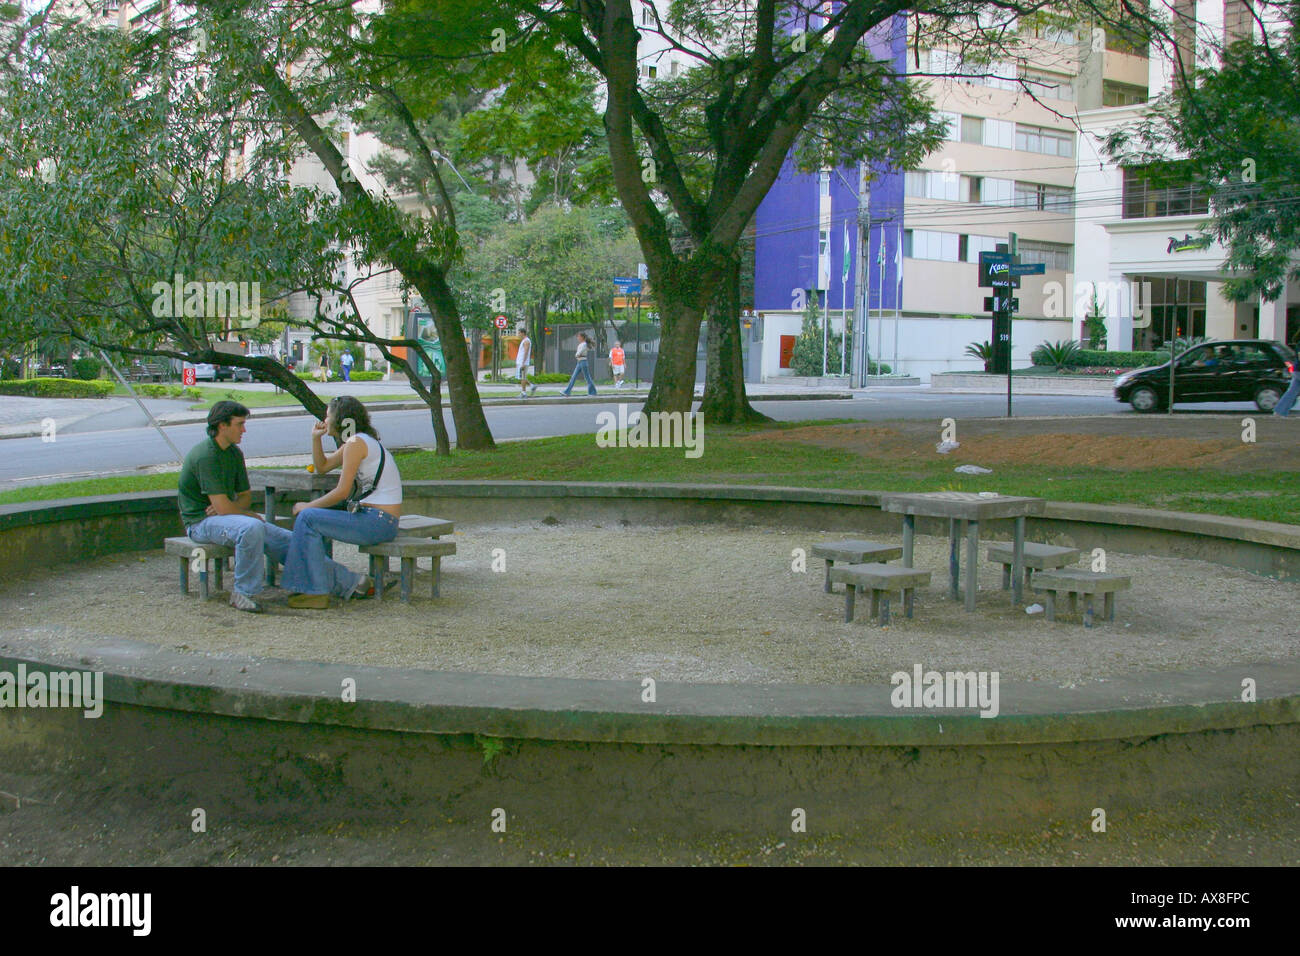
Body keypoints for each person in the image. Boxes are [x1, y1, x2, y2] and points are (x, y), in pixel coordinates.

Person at [280, 396, 403, 608]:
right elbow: (323, 466)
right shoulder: (357, 442)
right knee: (310, 521)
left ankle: (314, 591)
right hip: (379, 520)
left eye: (328, 415)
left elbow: (342, 491)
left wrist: (306, 506)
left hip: (377, 521)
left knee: (308, 518)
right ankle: (313, 587)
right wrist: (316, 439)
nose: (325, 420)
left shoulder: (356, 443)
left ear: (342, 420)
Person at [178, 401, 294, 613]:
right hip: (200, 523)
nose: (244, 430)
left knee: (288, 539)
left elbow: (243, 498)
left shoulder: (234, 454)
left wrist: (229, 507)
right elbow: (225, 508)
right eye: (239, 424)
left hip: (227, 518)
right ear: (222, 426)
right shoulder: (206, 455)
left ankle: (345, 583)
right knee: (252, 527)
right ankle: (243, 593)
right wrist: (234, 510)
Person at [561, 331, 597, 397]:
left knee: (587, 378)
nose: (578, 338)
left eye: (579, 336)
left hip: (583, 362)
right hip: (579, 362)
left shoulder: (584, 344)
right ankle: (567, 392)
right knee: (573, 377)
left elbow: (578, 353)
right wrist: (577, 355)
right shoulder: (582, 344)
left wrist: (577, 355)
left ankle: (593, 392)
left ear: (582, 337)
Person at [515, 324, 537, 397]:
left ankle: (523, 392)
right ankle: (532, 386)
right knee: (522, 377)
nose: (518, 334)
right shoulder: (524, 341)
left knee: (523, 377)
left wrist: (523, 363)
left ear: (522, 333)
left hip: (523, 362)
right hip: (520, 362)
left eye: (519, 333)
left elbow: (526, 352)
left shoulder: (526, 341)